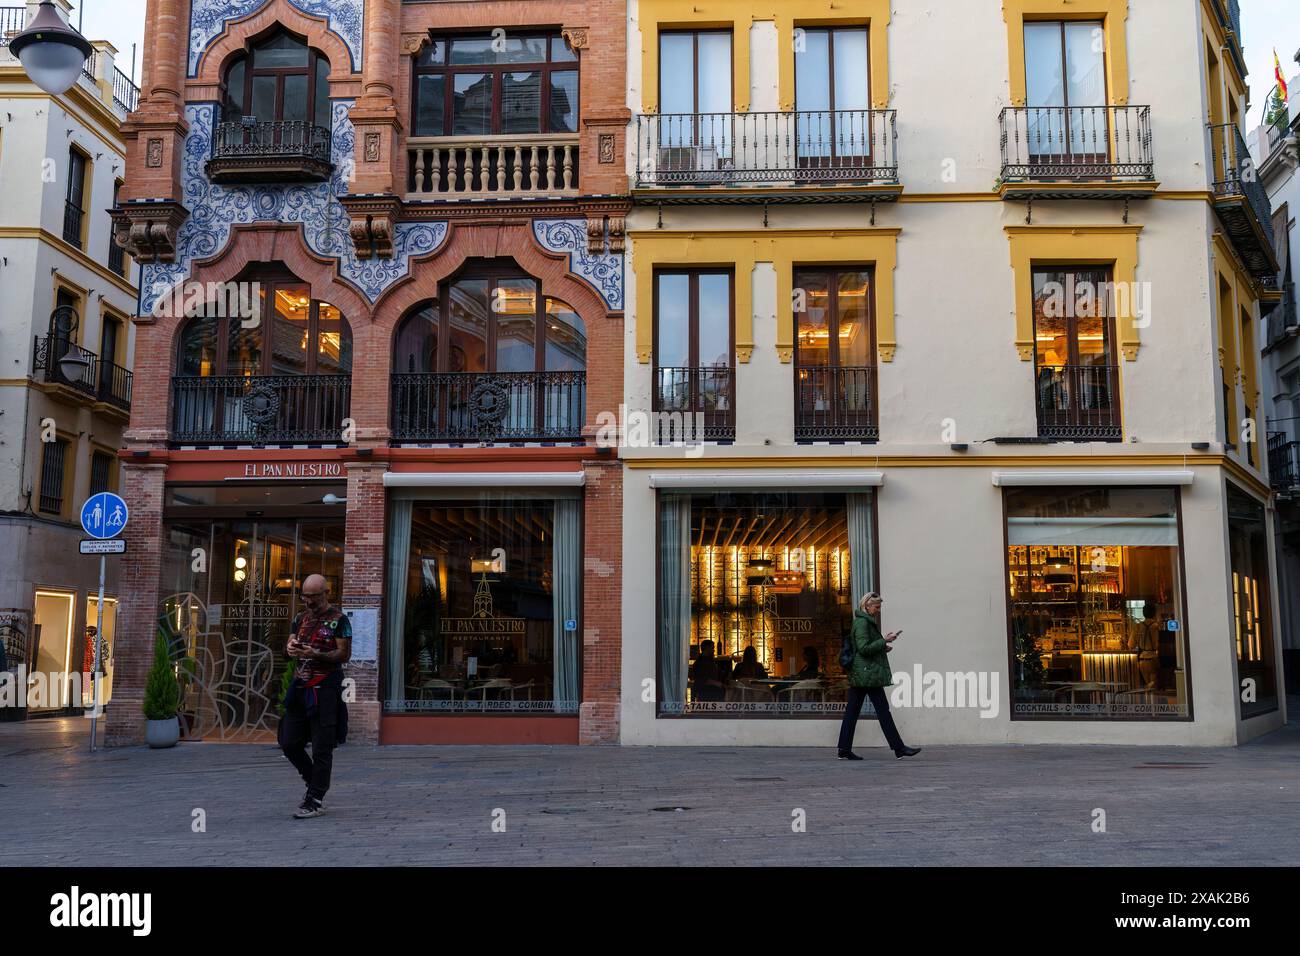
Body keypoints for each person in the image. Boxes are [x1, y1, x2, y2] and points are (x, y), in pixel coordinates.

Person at [279, 574, 352, 819]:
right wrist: (290, 649)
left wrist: (316, 653)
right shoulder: (300, 618)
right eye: (305, 597)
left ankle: (315, 798)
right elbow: (289, 646)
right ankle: (314, 781)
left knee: (322, 746)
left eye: (314, 597)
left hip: (326, 689)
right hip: (300, 687)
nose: (309, 601)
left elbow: (343, 655)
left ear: (326, 593)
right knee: (288, 742)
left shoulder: (339, 620)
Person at [837, 592, 921, 760]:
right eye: (876, 607)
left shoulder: (863, 622)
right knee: (883, 711)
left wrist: (883, 646)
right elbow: (863, 648)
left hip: (863, 674)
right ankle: (899, 748)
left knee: (852, 712)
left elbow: (867, 648)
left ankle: (844, 749)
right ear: (867, 606)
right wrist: (884, 640)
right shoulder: (862, 623)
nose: (878, 610)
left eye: (879, 607)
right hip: (867, 674)